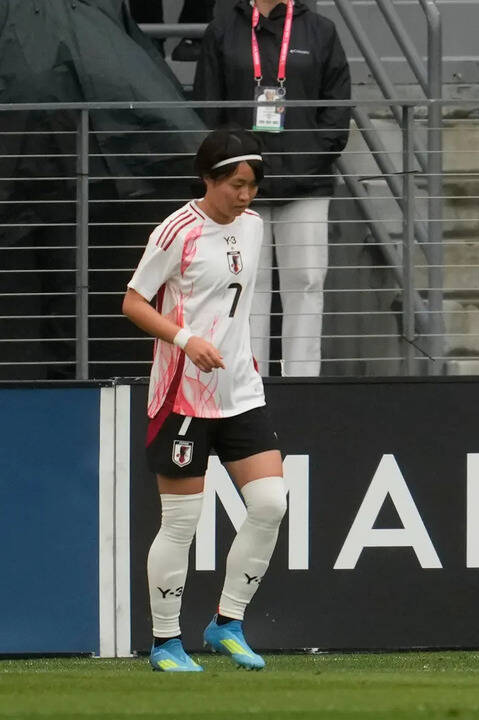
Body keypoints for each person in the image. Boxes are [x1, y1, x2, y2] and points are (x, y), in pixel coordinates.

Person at [123, 128, 287, 672]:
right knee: (181, 523)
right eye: (236, 184)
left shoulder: (256, 227)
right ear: (208, 179)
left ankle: (227, 624)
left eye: (253, 186)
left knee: (270, 504)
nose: (245, 196)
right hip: (183, 395)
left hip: (240, 389)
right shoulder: (176, 231)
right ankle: (166, 642)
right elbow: (133, 302)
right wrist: (185, 339)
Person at [194, 0, 352, 376]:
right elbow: (206, 109)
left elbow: (336, 108)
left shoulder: (320, 30)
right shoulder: (221, 29)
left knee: (307, 281)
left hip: (305, 183)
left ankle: (302, 383)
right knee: (248, 283)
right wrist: (229, 173)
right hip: (242, 187)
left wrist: (309, 162)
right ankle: (251, 382)